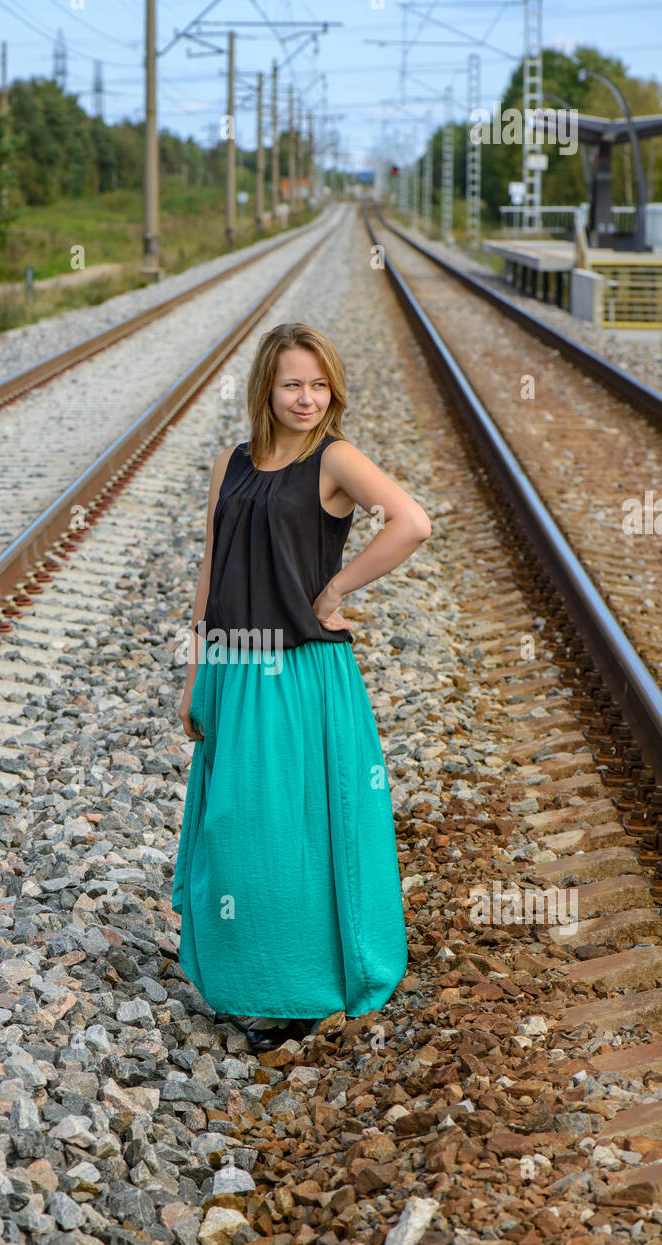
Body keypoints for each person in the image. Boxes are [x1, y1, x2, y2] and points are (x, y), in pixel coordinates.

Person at [171, 321, 431, 1052]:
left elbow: (411, 523)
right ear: (266, 387)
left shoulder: (334, 458)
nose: (306, 397)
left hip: (301, 673)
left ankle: (296, 995)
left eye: (318, 384)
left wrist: (335, 589)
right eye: (292, 383)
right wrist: (196, 671)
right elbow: (211, 566)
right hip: (234, 665)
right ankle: (247, 977)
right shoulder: (235, 461)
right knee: (236, 829)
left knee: (288, 834)